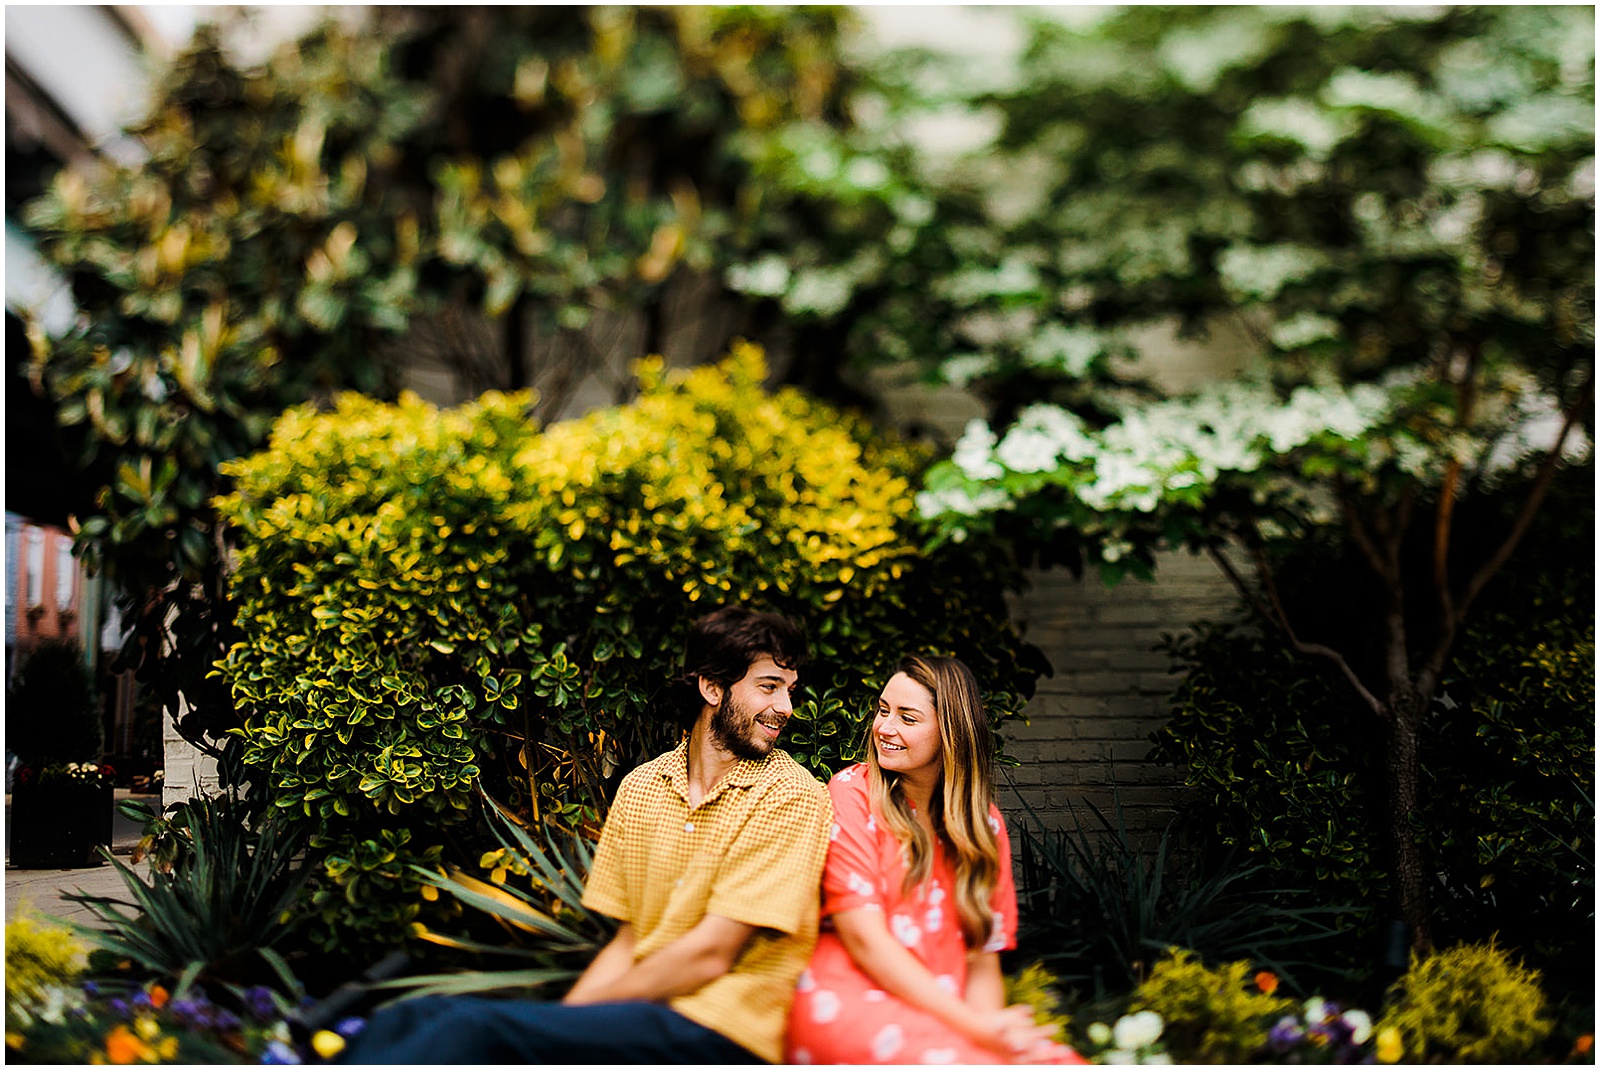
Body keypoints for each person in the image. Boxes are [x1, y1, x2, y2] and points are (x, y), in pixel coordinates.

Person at [342, 606, 833, 1064]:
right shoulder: (643, 786)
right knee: (415, 1014)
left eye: (789, 689)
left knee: (470, 1029)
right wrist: (561, 1025)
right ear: (711, 687)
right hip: (635, 1015)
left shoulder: (791, 796)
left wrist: (559, 1022)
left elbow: (709, 956)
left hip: (719, 1030)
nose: (786, 706)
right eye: (769, 687)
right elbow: (629, 940)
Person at [784, 655, 1085, 1065]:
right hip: (849, 1001)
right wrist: (974, 1029)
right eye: (883, 710)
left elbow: (981, 963)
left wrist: (991, 1032)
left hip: (945, 1015)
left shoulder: (984, 826)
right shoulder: (854, 792)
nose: (884, 728)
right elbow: (864, 939)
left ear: (950, 733)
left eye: (907, 718)